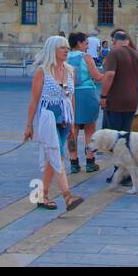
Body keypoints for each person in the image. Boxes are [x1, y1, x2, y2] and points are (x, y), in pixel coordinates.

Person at [23, 35, 83, 211]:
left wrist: (72, 121)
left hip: (64, 118)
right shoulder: (43, 71)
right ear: (52, 50)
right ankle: (68, 196)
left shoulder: (69, 70)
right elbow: (34, 101)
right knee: (58, 154)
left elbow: (71, 97)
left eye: (67, 48)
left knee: (52, 156)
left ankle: (42, 196)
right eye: (62, 48)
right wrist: (29, 125)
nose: (66, 50)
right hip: (48, 116)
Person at [66, 32, 103, 172]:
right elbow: (96, 76)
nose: (88, 46)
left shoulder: (64, 57)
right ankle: (90, 162)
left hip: (70, 94)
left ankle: (74, 163)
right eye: (86, 43)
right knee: (89, 130)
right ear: (79, 43)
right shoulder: (86, 57)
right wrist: (110, 75)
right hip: (86, 93)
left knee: (72, 131)